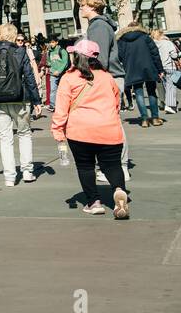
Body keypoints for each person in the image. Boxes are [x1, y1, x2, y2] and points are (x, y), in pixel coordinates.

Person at [51, 38, 129, 218]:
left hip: (80, 131)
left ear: (77, 57)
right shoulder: (106, 76)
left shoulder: (68, 78)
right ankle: (118, 190)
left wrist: (58, 131)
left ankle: (94, 202)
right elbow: (117, 102)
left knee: (85, 166)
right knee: (112, 165)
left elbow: (61, 109)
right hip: (109, 128)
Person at [0, 23, 42, 186]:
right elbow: (29, 77)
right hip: (20, 99)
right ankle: (27, 171)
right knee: (24, 133)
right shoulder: (21, 52)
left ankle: (9, 176)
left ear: (0, 36)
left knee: (5, 138)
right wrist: (36, 100)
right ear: (14, 37)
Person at [78, 0, 130, 181]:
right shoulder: (99, 24)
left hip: (108, 76)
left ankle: (119, 166)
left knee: (112, 123)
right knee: (111, 121)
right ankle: (116, 165)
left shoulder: (98, 26)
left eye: (83, 5)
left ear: (92, 6)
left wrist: (92, 77)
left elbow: (99, 57)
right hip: (110, 76)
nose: (81, 8)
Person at [116, 21, 165, 128]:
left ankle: (144, 119)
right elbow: (155, 53)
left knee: (138, 94)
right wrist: (160, 69)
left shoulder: (121, 40)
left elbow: (119, 56)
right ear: (139, 27)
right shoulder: (145, 37)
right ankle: (155, 118)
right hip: (148, 67)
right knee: (152, 92)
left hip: (132, 69)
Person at [151, 29, 181, 116]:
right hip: (169, 66)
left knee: (166, 86)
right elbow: (174, 55)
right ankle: (170, 106)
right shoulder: (167, 43)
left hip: (159, 68)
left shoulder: (152, 44)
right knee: (171, 86)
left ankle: (171, 104)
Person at [46, 37, 70, 109]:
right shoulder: (50, 52)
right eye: (50, 42)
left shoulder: (62, 51)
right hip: (53, 74)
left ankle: (65, 105)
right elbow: (49, 62)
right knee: (53, 89)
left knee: (64, 89)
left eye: (53, 42)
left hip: (62, 73)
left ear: (57, 42)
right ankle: (53, 105)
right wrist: (51, 69)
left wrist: (59, 71)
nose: (51, 44)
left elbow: (65, 62)